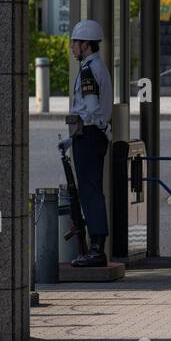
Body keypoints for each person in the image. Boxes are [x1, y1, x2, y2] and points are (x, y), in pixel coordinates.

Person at [59, 19, 112, 267]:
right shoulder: (96, 66)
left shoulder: (89, 70)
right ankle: (95, 245)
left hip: (90, 136)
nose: (72, 48)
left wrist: (98, 129)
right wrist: (71, 139)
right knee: (91, 190)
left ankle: (96, 249)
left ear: (86, 45)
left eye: (75, 43)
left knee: (90, 192)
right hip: (88, 135)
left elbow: (91, 110)